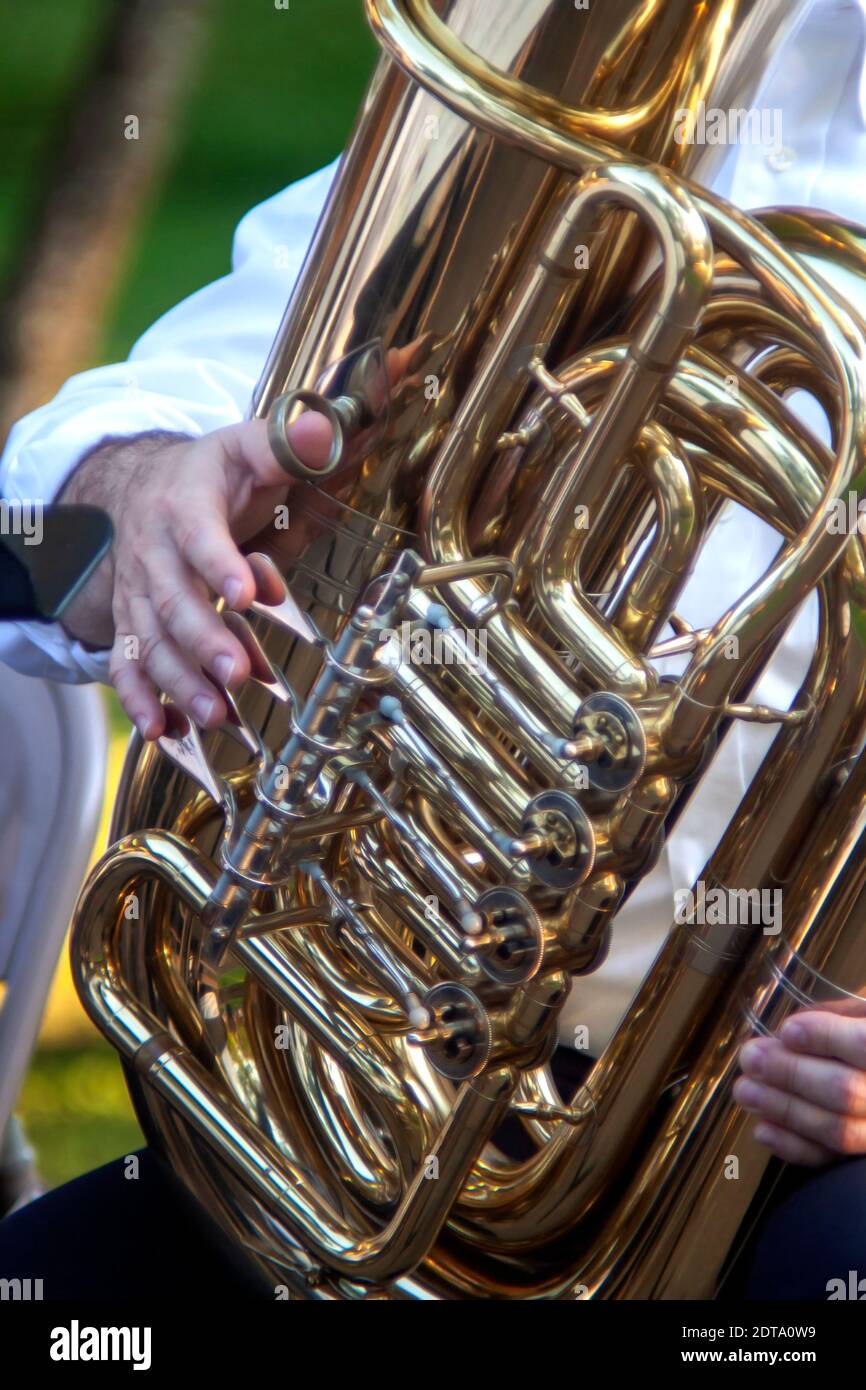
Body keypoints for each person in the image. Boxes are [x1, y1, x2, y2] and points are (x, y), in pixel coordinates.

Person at [2, 0, 866, 1300]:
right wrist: (135, 510)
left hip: (759, 1175)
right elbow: (26, 544)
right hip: (336, 1123)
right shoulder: (561, 110)